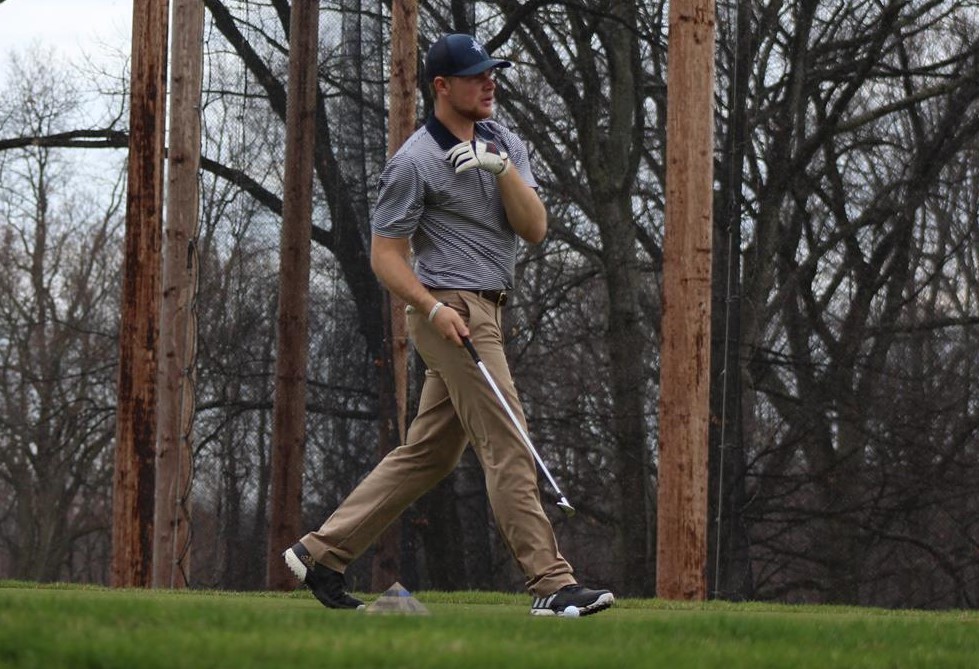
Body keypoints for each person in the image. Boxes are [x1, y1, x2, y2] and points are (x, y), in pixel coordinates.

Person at [283, 33, 614, 617]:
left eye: (492, 73)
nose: (490, 83)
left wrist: (501, 169)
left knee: (429, 456)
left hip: (489, 307)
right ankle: (551, 584)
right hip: (449, 310)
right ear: (442, 87)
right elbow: (386, 256)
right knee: (508, 441)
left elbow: (535, 228)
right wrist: (434, 310)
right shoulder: (413, 162)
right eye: (475, 76)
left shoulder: (503, 141)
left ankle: (321, 553)